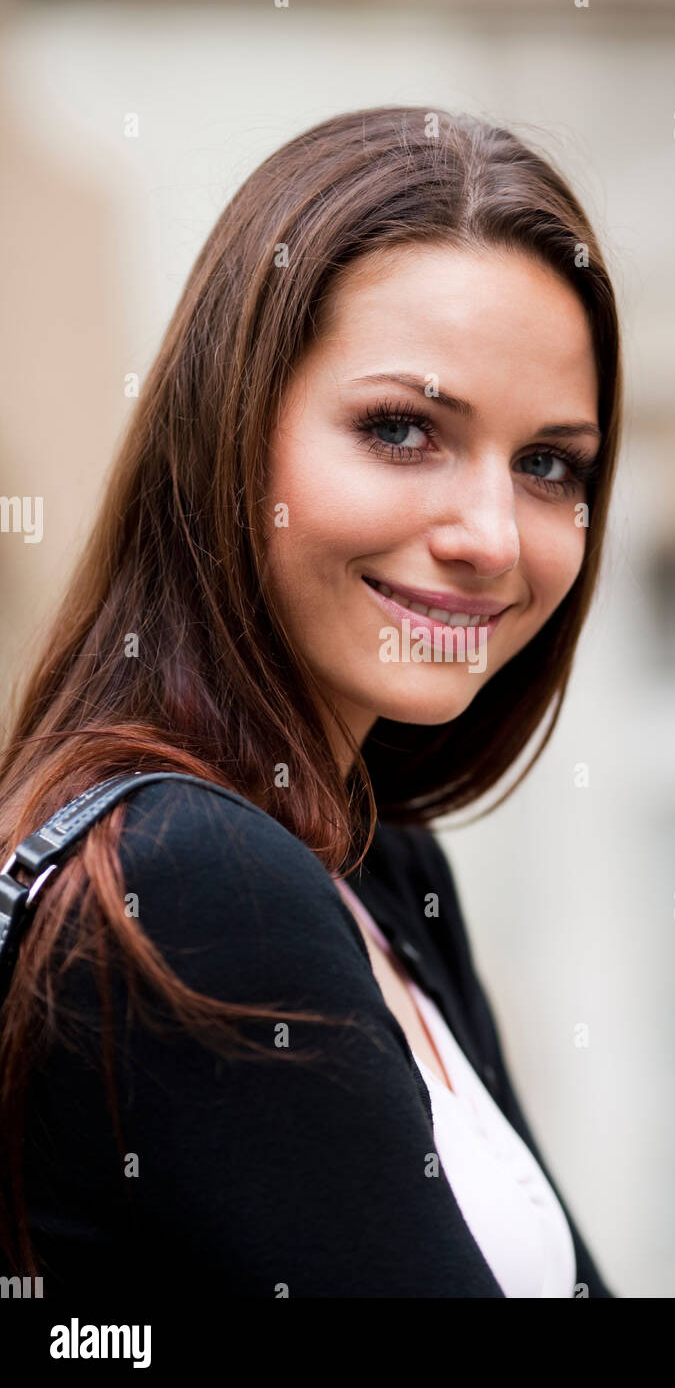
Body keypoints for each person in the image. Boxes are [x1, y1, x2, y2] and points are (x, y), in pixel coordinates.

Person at [0, 104, 622, 1298]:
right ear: (230, 436)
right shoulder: (188, 881)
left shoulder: (377, 859)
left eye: (549, 463)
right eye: (402, 430)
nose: (491, 537)